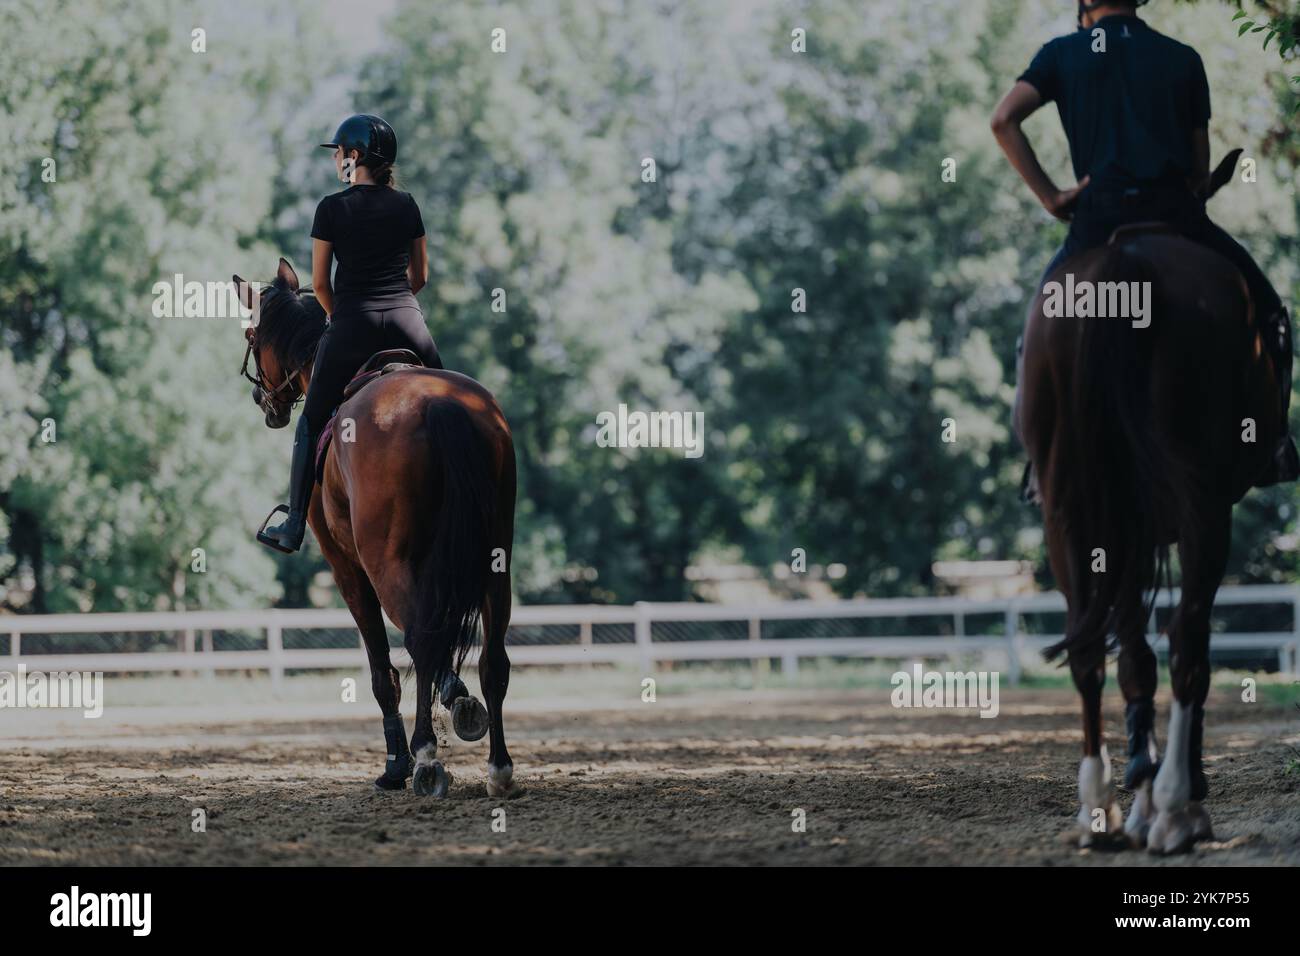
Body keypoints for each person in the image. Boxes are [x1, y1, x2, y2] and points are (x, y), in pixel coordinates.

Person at [991, 0, 1297, 491]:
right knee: (1270, 316)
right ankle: (1274, 444)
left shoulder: (1060, 53)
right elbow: (1198, 172)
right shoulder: (1182, 57)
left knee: (1036, 328)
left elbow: (1003, 120)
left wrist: (1051, 196)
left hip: (1095, 224)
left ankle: (1040, 462)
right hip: (1178, 219)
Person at [259, 113, 444, 553]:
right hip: (407, 320)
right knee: (449, 401)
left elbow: (321, 285)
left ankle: (294, 524)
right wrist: (398, 299)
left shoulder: (331, 207)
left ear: (353, 157)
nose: (336, 159)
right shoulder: (407, 205)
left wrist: (342, 317)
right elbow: (420, 275)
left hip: (352, 323)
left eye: (339, 152)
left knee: (310, 420)